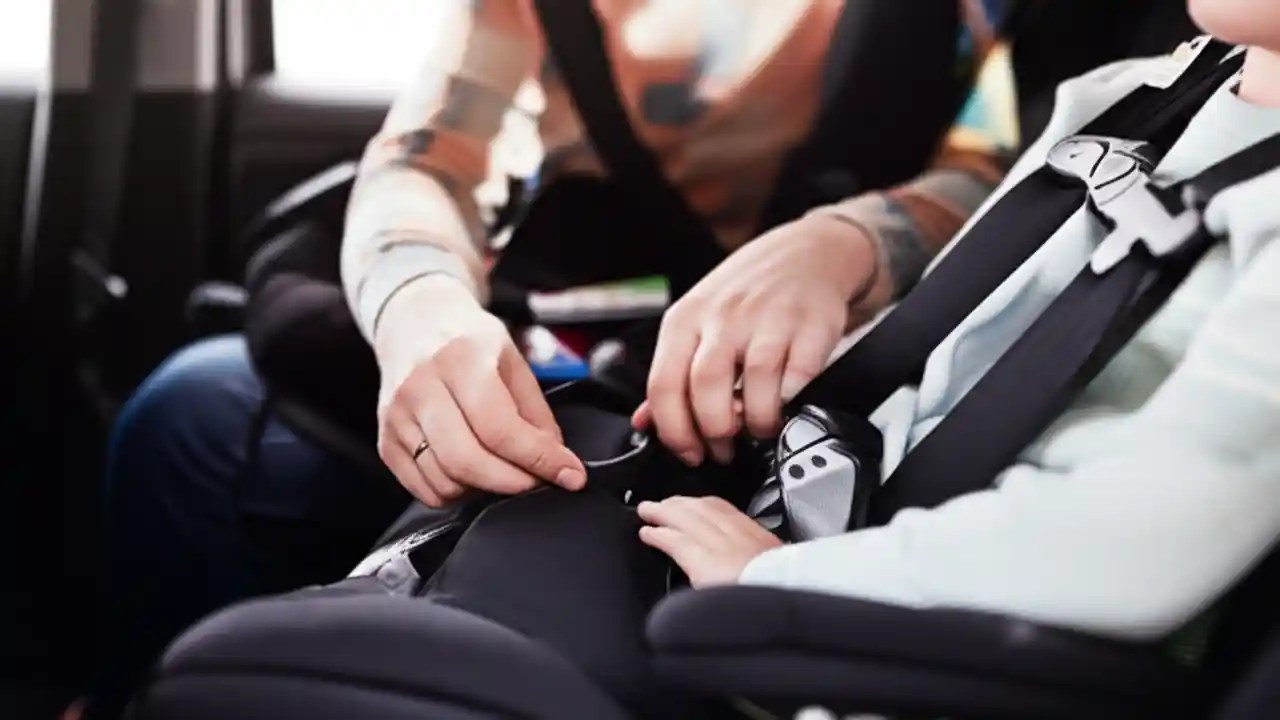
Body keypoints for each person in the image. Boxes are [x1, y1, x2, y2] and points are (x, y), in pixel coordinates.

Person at [89, 2, 1016, 717]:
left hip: (842, 384)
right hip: (590, 342)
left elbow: (1014, 158)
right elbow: (430, 161)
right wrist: (419, 308)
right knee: (191, 412)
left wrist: (851, 242)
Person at [632, 0, 1280, 644]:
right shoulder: (1133, 92)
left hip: (896, 635)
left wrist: (780, 577)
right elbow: (969, 341)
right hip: (797, 520)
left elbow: (1147, 539)